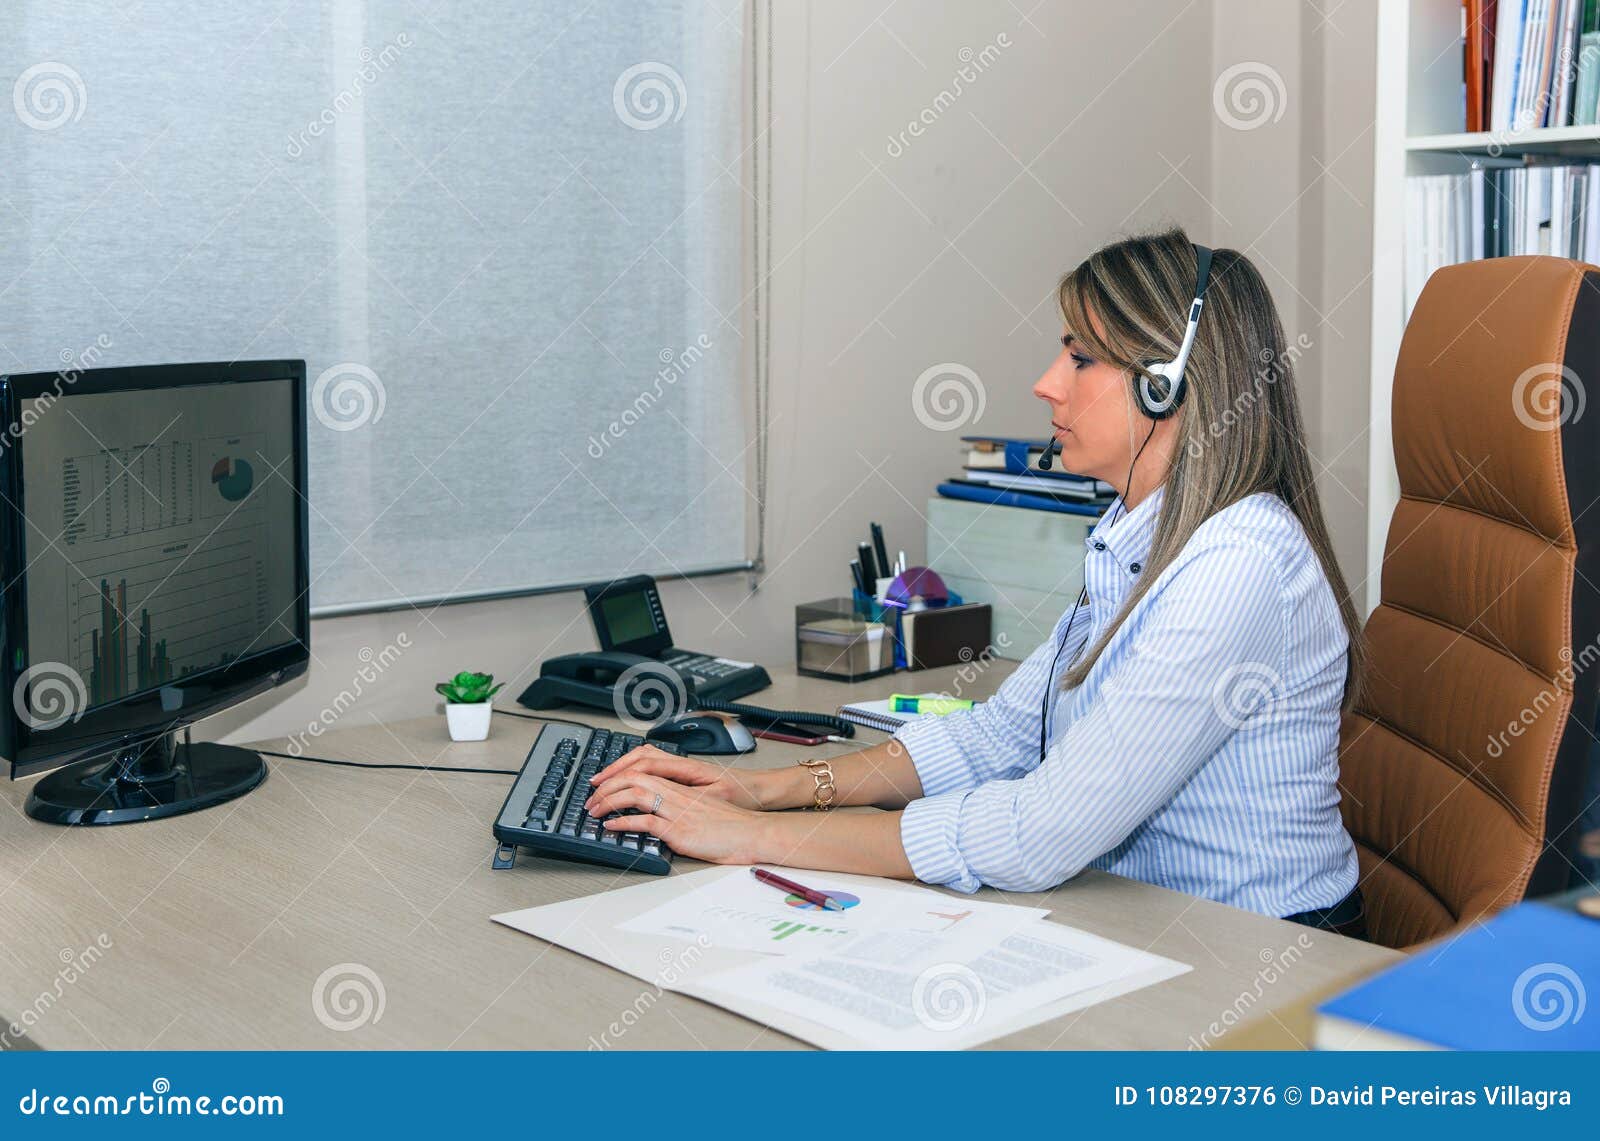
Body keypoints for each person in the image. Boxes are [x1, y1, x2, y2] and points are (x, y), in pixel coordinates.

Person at [585, 228, 1368, 933]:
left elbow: (1040, 832)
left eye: (1081, 357)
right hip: (1149, 921)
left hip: (1263, 953)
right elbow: (995, 737)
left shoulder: (1240, 565)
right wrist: (761, 791)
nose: (1046, 383)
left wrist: (748, 839)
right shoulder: (1142, 541)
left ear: (1166, 385)